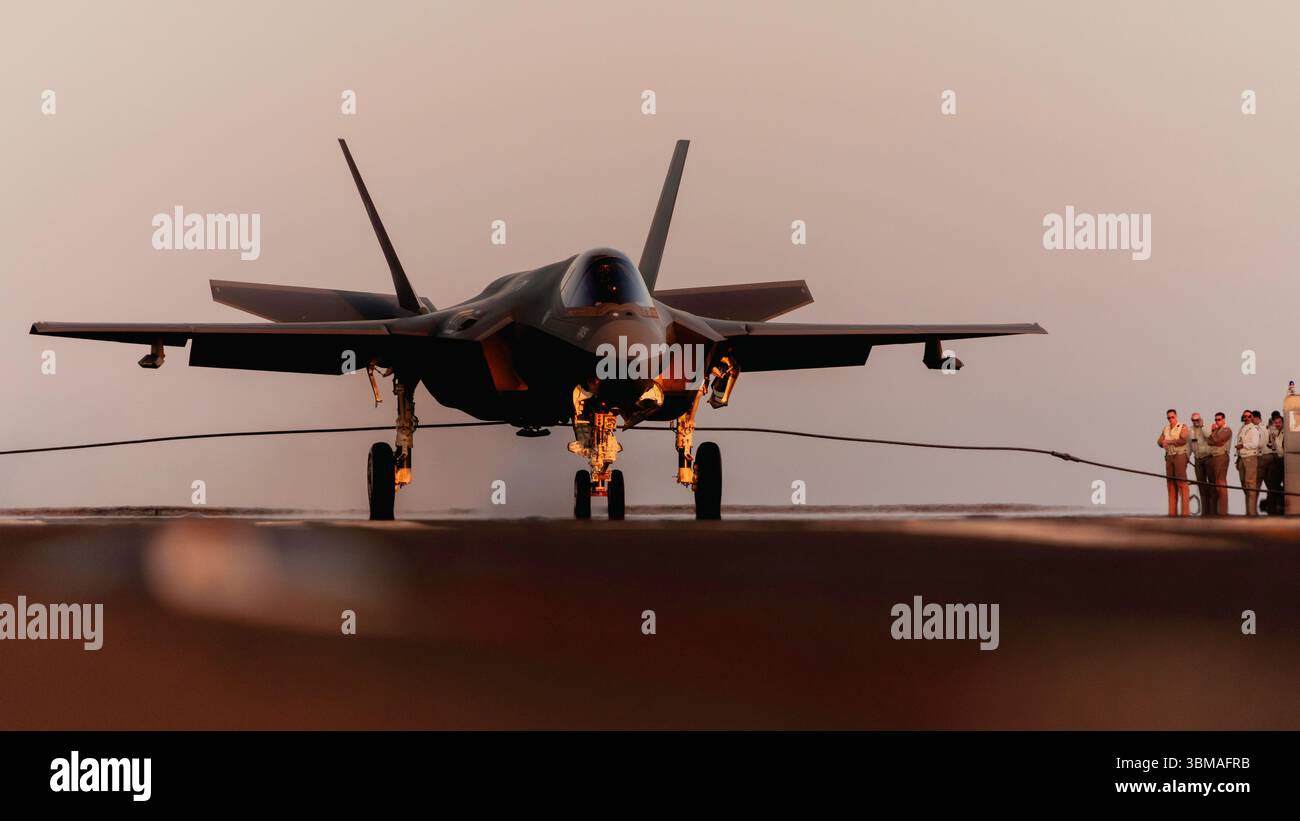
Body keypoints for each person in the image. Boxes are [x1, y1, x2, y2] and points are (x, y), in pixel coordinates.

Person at [1157, 409, 1190, 516]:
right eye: (1168, 418)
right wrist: (1163, 443)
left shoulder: (1182, 426)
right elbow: (1159, 441)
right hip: (1169, 457)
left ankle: (1185, 512)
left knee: (1182, 483)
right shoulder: (1165, 429)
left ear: (1176, 416)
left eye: (1172, 417)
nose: (1170, 419)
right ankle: (1172, 512)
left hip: (1179, 455)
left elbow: (1183, 440)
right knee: (1170, 484)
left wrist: (1169, 442)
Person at [1235, 409, 1262, 516]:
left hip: (1250, 457)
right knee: (1244, 484)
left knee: (1250, 484)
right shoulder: (1242, 428)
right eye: (1244, 416)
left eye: (1248, 416)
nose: (1246, 418)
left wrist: (1243, 445)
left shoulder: (1254, 429)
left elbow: (1255, 444)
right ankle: (1248, 510)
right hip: (1241, 457)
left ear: (1252, 417)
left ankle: (1251, 512)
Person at [1188, 413, 1214, 516]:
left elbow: (1210, 437)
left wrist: (1202, 427)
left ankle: (1213, 510)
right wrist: (1187, 456)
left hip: (1208, 458)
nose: (1195, 422)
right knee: (1201, 485)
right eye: (1193, 420)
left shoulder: (1206, 428)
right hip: (1198, 459)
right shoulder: (1190, 431)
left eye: (1197, 420)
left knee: (1212, 484)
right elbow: (1189, 445)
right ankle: (1204, 511)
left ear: (1200, 419)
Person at [1208, 412, 1232, 515]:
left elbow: (1217, 439)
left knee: (1221, 482)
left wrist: (1214, 433)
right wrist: (1215, 438)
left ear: (1223, 420)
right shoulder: (1217, 431)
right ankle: (1217, 509)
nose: (1217, 421)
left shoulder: (1227, 430)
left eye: (1219, 419)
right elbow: (1209, 441)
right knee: (1216, 483)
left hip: (1222, 456)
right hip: (1214, 456)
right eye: (1216, 420)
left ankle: (1223, 509)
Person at [1262, 414, 1286, 514]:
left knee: (1284, 484)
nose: (1277, 424)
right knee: (1272, 484)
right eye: (1276, 423)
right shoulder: (1275, 434)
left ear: (1283, 423)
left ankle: (1281, 504)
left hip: (1286, 461)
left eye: (1279, 422)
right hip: (1279, 461)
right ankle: (1271, 507)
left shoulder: (1286, 433)